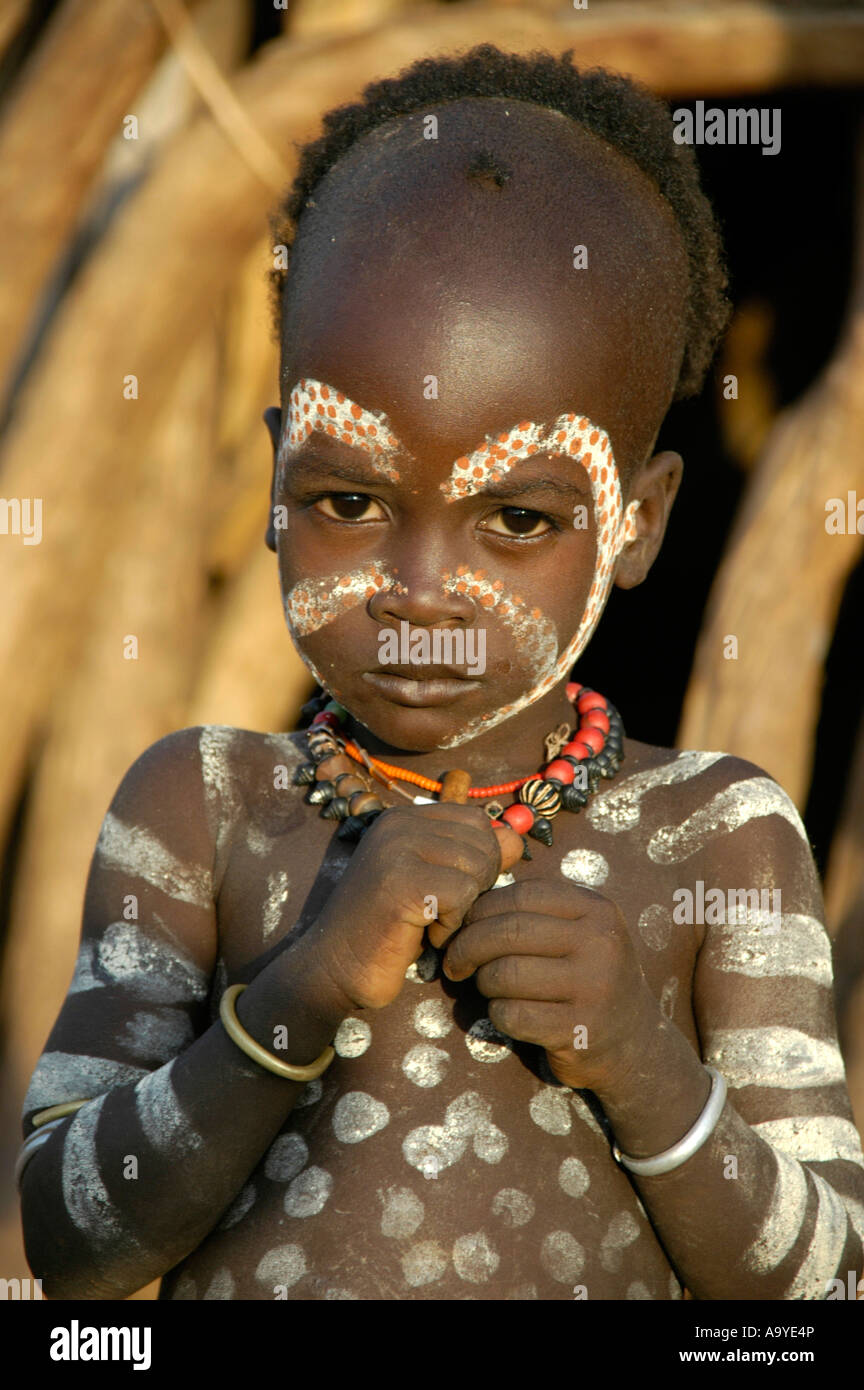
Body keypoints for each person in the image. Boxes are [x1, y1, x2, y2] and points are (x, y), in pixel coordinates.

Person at [18, 44, 864, 1301]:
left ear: (636, 524)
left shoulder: (717, 841)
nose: (419, 589)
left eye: (517, 521)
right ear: (273, 481)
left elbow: (822, 1286)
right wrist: (298, 993)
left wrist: (641, 1059)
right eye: (350, 499)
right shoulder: (202, 807)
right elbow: (71, 1240)